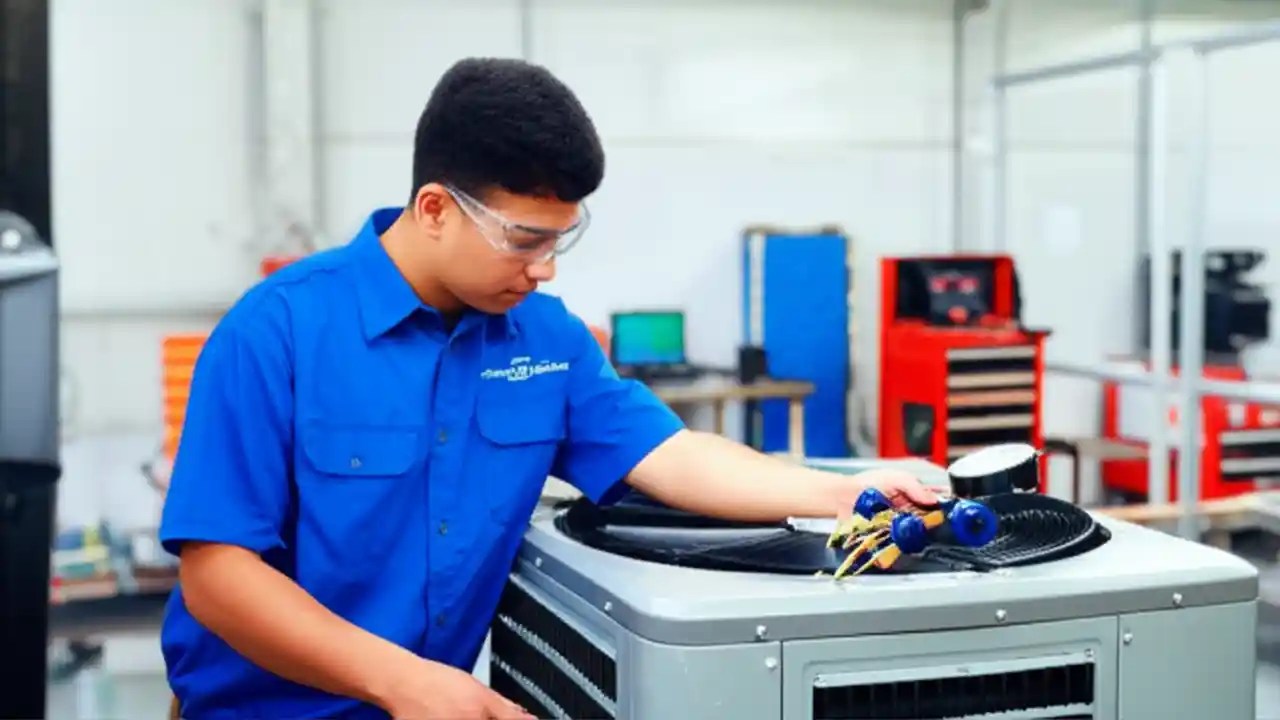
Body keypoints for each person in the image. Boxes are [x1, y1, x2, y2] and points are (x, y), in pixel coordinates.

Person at [158, 57, 938, 720]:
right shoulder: (277, 331)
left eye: (560, 240)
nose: (545, 268)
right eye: (524, 241)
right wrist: (403, 683)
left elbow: (671, 455)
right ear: (434, 209)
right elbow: (218, 574)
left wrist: (846, 494)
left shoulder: (545, 339)